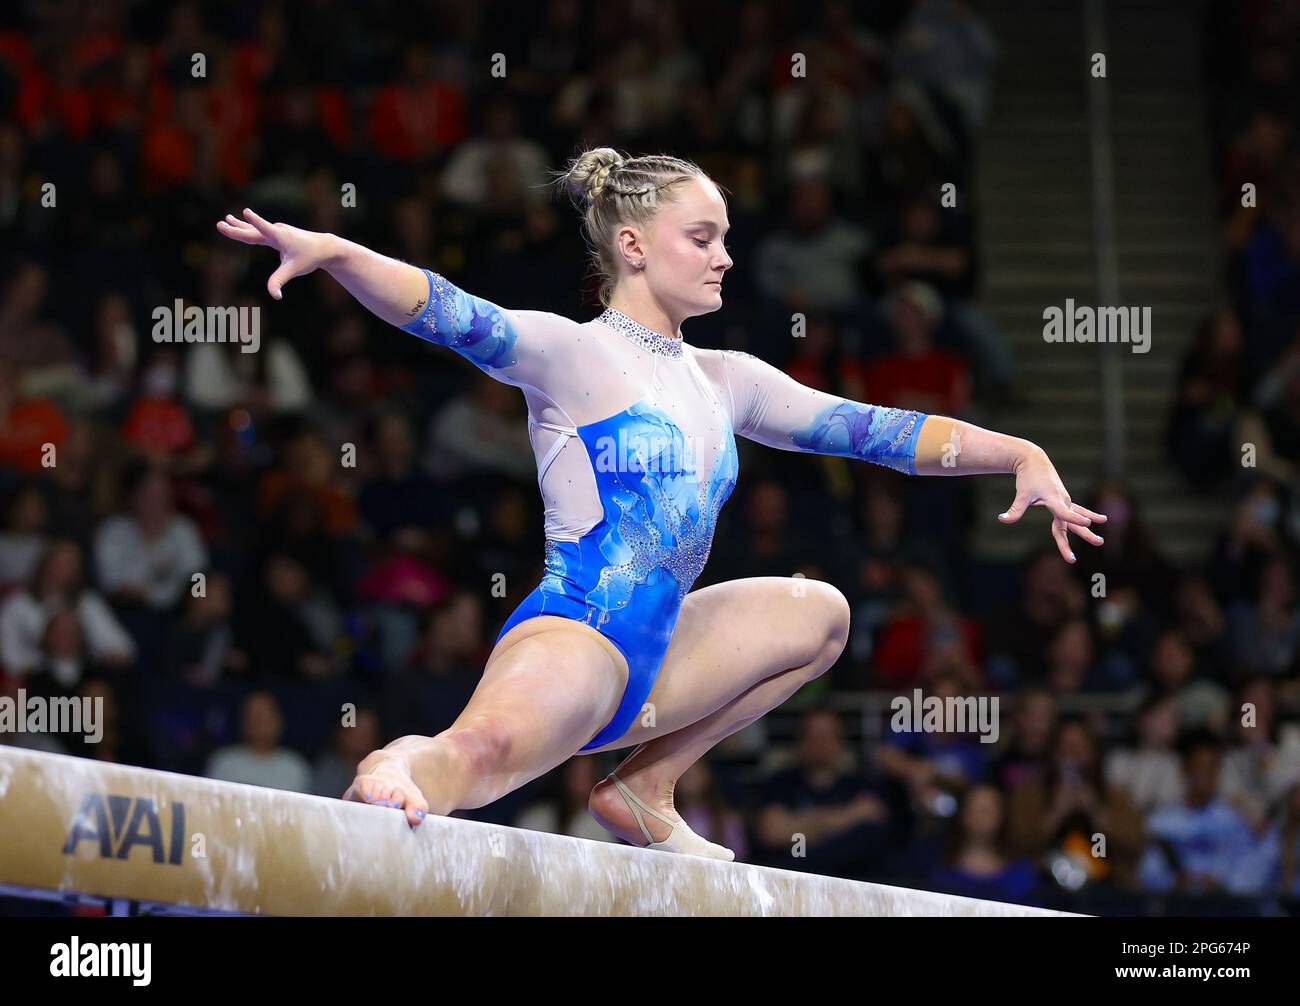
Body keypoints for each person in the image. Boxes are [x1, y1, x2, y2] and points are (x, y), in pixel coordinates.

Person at [217, 147, 1105, 861]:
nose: (725, 256)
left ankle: (644, 786)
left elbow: (874, 432)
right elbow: (447, 312)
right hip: (581, 635)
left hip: (665, 661)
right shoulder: (571, 353)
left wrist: (1017, 452)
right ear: (634, 245)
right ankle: (395, 768)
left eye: (725, 239)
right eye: (703, 236)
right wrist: (338, 253)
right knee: (474, 762)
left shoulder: (729, 380)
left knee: (822, 616)